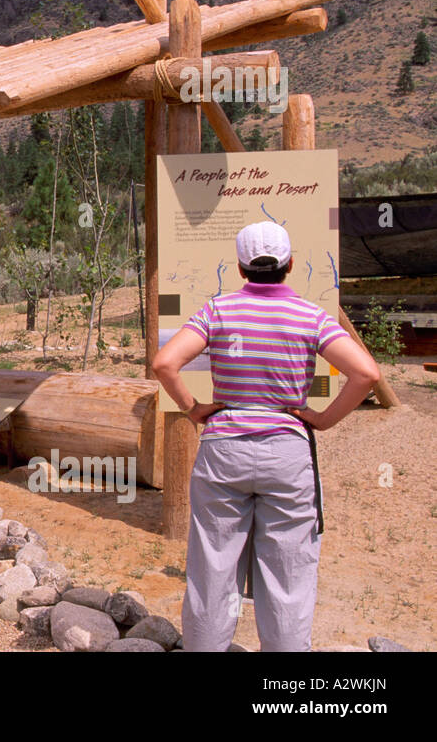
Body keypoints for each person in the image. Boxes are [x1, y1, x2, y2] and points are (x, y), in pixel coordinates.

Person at [152, 221, 380, 652]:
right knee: (288, 574)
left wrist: (194, 408)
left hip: (223, 449)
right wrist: (323, 419)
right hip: (287, 452)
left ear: (241, 268)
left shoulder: (217, 311)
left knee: (212, 570)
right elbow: (366, 373)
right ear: (290, 265)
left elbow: (165, 363)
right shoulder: (311, 316)